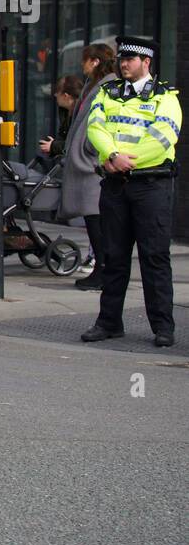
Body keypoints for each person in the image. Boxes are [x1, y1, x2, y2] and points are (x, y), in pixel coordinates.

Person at [81, 36, 180, 347]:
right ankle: (109, 322)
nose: (124, 64)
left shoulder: (165, 97)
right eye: (122, 59)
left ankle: (163, 327)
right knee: (112, 256)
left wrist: (123, 160)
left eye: (131, 59)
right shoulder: (107, 93)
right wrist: (111, 156)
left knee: (154, 257)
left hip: (151, 186)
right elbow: (95, 127)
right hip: (115, 186)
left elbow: (163, 137)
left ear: (146, 62)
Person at [57, 44, 117, 290]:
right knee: (93, 220)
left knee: (97, 220)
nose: (82, 65)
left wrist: (88, 152)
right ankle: (101, 270)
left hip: (92, 164)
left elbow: (101, 121)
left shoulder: (106, 86)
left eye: (85, 60)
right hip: (87, 162)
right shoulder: (94, 85)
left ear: (93, 61)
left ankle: (103, 271)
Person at [39, 75, 84, 159]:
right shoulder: (66, 111)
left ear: (66, 96)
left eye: (58, 93)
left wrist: (53, 146)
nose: (55, 95)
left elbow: (77, 143)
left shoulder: (82, 113)